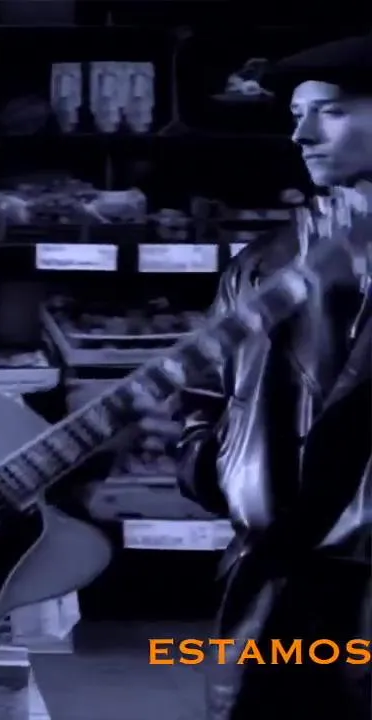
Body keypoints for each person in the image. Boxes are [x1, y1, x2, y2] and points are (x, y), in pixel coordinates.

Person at [165, 34, 371, 720]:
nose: (302, 135)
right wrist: (212, 464)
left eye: (331, 111)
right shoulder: (260, 266)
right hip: (274, 585)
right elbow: (202, 391)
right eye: (296, 115)